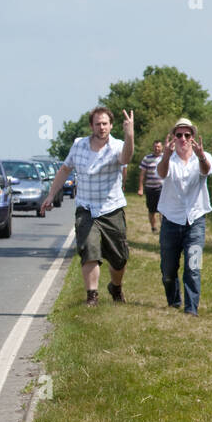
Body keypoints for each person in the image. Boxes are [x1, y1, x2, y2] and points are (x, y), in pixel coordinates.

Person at [41, 105, 135, 306]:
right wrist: (51, 195)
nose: (101, 127)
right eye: (98, 124)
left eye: (105, 124)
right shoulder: (79, 145)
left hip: (112, 208)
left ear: (111, 125)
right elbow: (65, 169)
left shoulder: (118, 145)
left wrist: (130, 136)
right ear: (91, 126)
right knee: (89, 250)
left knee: (119, 258)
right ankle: (92, 296)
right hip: (86, 208)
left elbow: (126, 158)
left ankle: (115, 287)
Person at [156, 118, 212, 316]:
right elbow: (161, 174)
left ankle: (191, 309)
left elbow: (206, 171)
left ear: (193, 138)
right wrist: (165, 155)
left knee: (194, 266)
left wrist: (201, 157)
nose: (182, 138)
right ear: (173, 137)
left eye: (187, 135)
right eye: (178, 135)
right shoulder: (167, 159)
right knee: (168, 271)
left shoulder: (204, 157)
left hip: (196, 221)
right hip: (171, 220)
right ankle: (174, 302)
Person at [138, 140, 165, 233]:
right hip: (150, 188)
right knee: (152, 210)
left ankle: (164, 228)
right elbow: (142, 174)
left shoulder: (165, 157)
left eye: (159, 147)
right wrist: (141, 188)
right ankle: (153, 228)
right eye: (155, 147)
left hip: (162, 188)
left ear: (162, 147)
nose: (157, 148)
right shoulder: (147, 158)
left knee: (163, 209)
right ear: (153, 147)